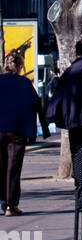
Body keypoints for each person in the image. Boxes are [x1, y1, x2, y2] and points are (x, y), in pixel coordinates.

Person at [0, 51, 50, 216]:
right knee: (13, 168)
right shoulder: (24, 83)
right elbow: (35, 104)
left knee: (1, 167)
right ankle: (10, 205)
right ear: (20, 66)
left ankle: (2, 200)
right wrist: (43, 128)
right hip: (17, 131)